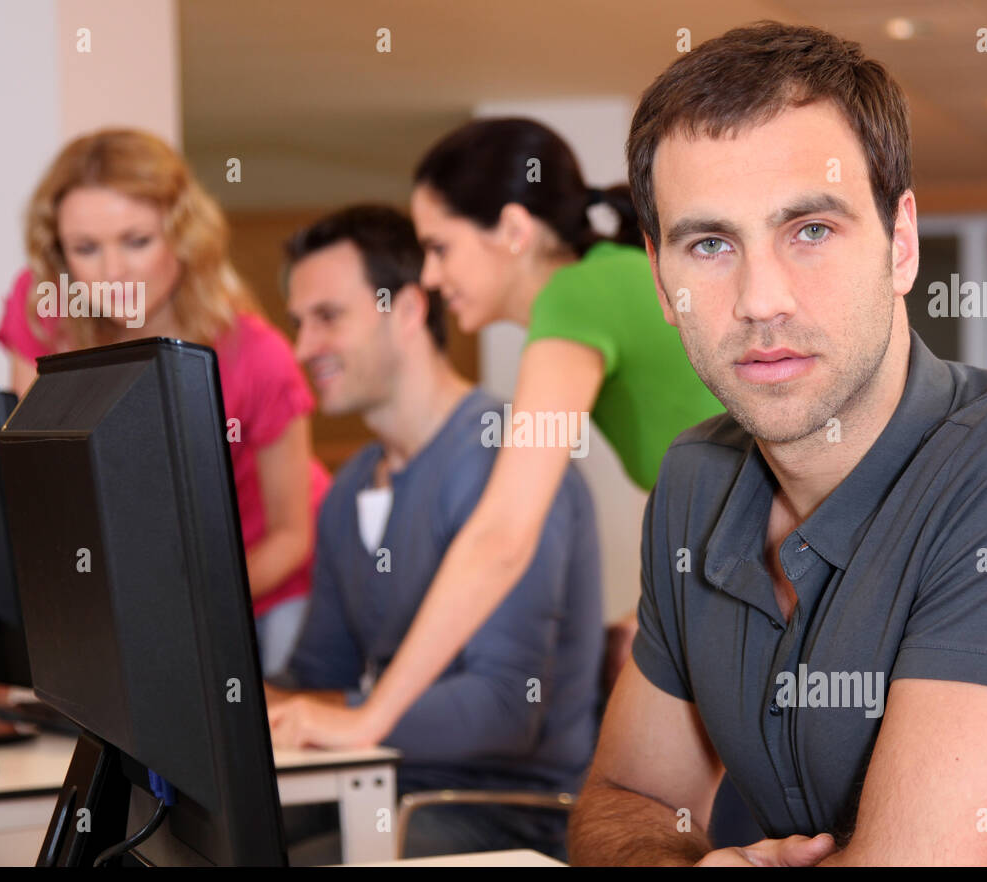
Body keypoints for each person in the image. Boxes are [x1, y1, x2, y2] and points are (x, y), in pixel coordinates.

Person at [567, 21, 987, 867]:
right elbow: (628, 798)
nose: (761, 300)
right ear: (663, 285)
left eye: (810, 230)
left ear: (900, 245)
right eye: (710, 245)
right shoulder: (694, 481)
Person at [282, 116, 724, 753]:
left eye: (440, 248)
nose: (429, 278)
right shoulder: (603, 279)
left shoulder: (575, 297)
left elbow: (502, 534)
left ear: (514, 231)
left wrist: (369, 718)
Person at [267, 205, 603, 862]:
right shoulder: (347, 490)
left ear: (411, 310)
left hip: (504, 812)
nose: (304, 348)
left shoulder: (504, 462)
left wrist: (349, 712)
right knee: (179, 834)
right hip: (384, 786)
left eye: (328, 317)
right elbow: (319, 676)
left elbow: (506, 710)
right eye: (298, 324)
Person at [0, 128, 329, 678]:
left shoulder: (256, 355)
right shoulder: (43, 314)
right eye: (86, 248)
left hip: (263, 586)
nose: (113, 272)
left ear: (184, 235)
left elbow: (292, 535)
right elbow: (43, 476)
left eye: (137, 240)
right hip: (139, 595)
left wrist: (180, 607)